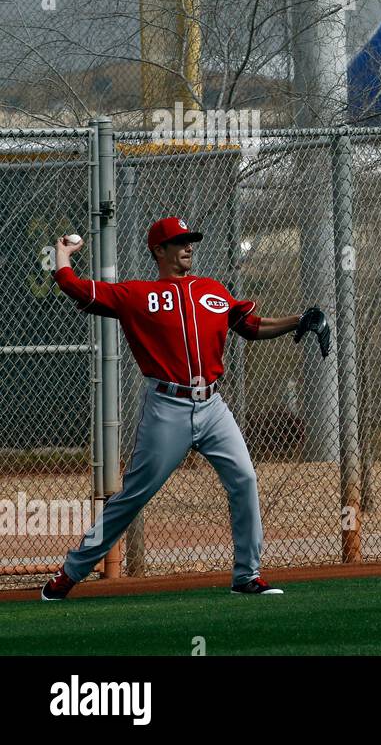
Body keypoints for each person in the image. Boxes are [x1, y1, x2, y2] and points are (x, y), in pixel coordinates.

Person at [39, 216, 330, 600]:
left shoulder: (212, 289)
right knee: (133, 497)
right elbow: (77, 289)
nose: (188, 246)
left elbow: (251, 326)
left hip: (213, 406)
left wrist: (300, 320)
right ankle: (69, 573)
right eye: (179, 242)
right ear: (159, 250)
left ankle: (247, 576)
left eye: (190, 240)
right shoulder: (136, 295)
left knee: (244, 479)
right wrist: (62, 257)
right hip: (166, 408)